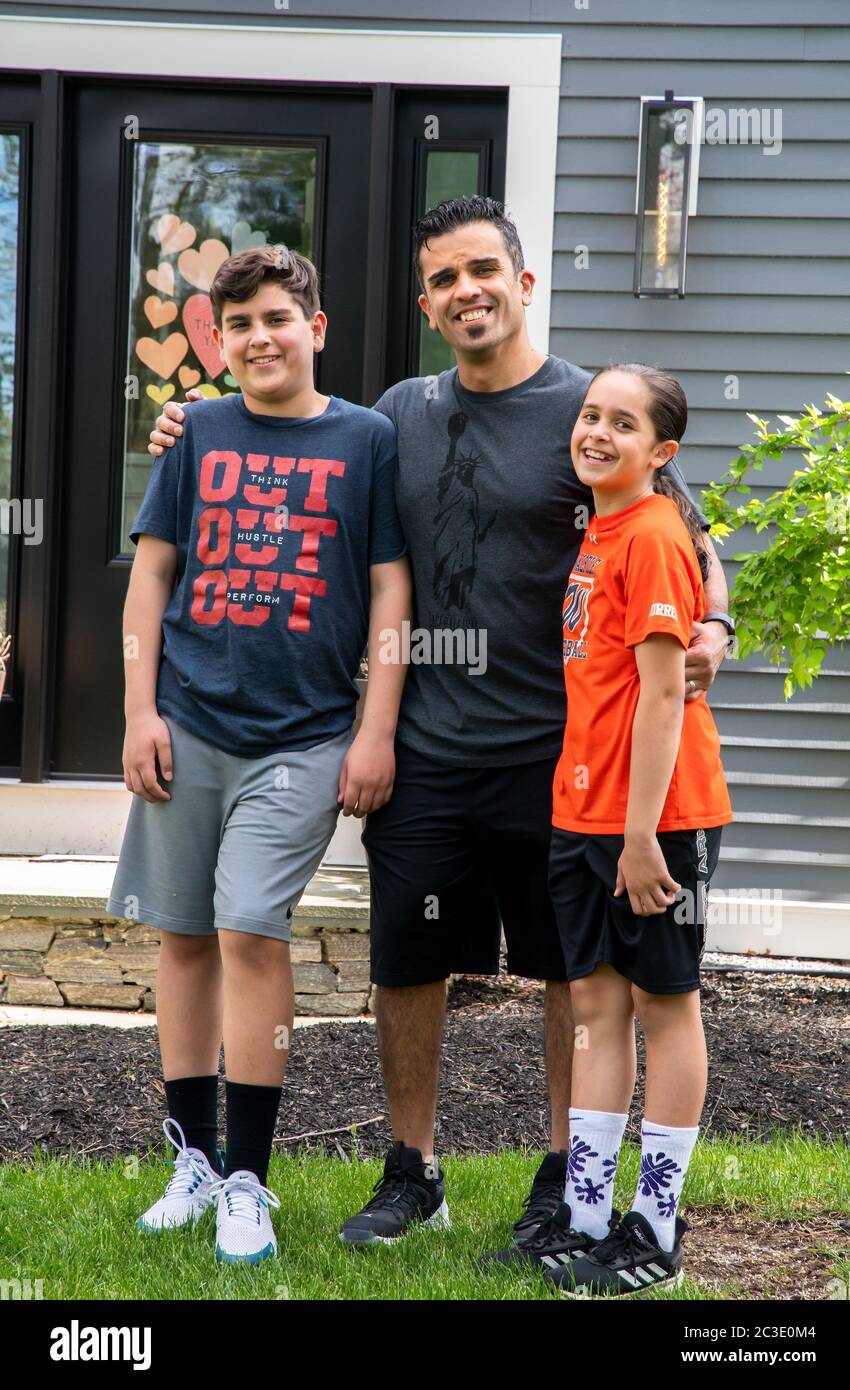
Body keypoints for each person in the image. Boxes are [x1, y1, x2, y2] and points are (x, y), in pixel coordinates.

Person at [147, 198, 734, 1256]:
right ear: (425, 303)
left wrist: (717, 623)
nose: (465, 291)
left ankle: (565, 1176)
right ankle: (412, 1169)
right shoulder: (395, 416)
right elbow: (295, 446)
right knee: (407, 965)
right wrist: (189, 423)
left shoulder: (588, 410)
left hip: (561, 756)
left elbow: (681, 526)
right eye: (443, 280)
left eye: (482, 270)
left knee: (567, 972)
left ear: (522, 281)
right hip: (423, 745)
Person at [107, 244, 411, 1265]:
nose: (258, 337)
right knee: (184, 935)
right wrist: (137, 710)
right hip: (187, 720)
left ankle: (249, 1179)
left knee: (249, 926)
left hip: (304, 734)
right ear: (218, 340)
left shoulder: (364, 439)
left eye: (276, 318)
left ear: (314, 329)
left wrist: (374, 727)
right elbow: (151, 578)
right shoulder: (193, 431)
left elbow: (387, 591)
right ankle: (191, 1162)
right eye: (237, 325)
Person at [539, 364, 733, 1296]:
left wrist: (643, 836)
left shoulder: (654, 535)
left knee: (664, 1005)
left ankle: (654, 1229)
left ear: (663, 452)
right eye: (590, 415)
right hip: (584, 811)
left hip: (656, 819)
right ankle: (583, 1221)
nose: (598, 432)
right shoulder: (603, 527)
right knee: (594, 1008)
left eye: (624, 422)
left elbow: (665, 693)